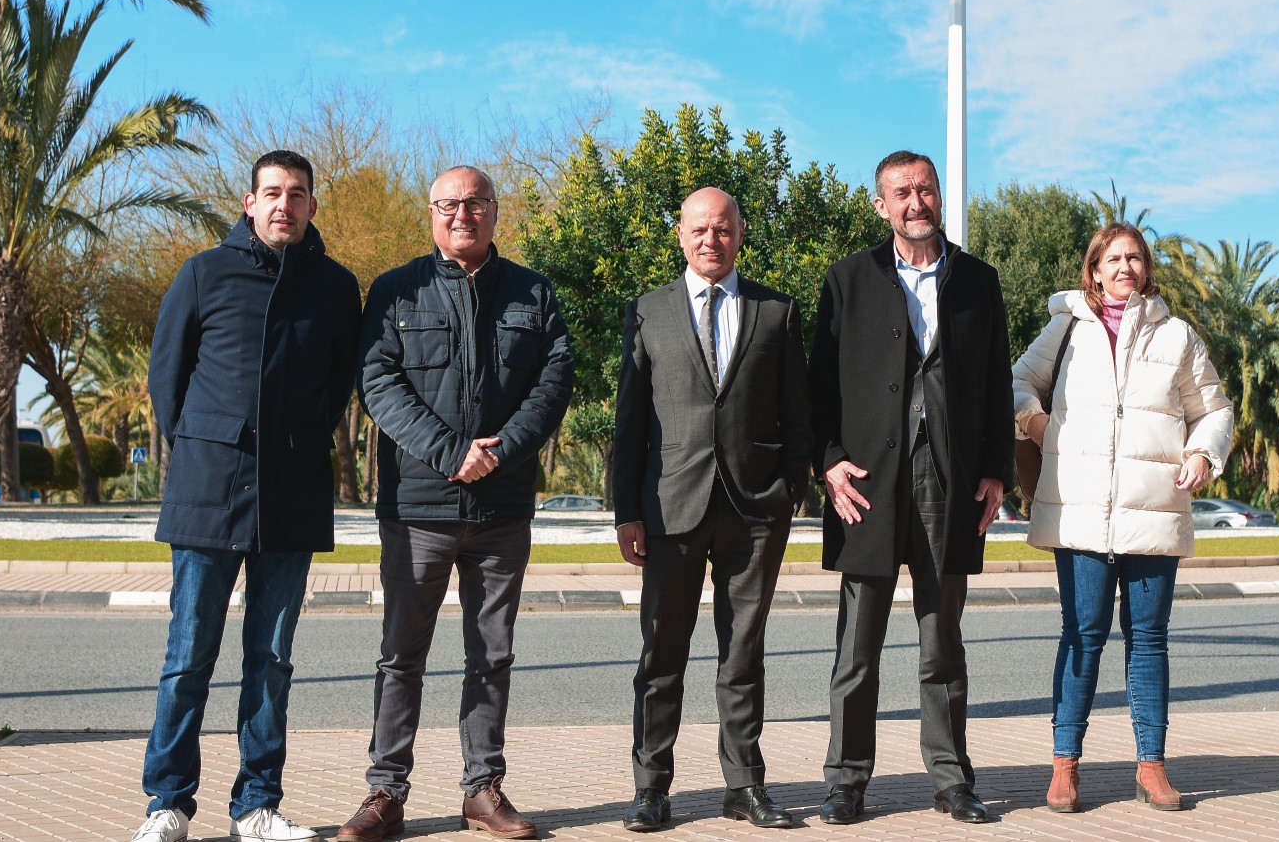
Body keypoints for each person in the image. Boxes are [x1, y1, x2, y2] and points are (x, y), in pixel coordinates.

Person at [334, 166, 573, 842]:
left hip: (501, 508)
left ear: (495, 210)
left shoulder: (534, 291)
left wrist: (505, 448)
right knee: (400, 655)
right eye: (448, 204)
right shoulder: (394, 290)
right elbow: (377, 381)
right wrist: (449, 451)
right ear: (431, 213)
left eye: (474, 203)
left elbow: (555, 379)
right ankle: (385, 792)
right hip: (417, 508)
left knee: (492, 653)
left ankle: (483, 790)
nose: (462, 213)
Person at [134, 151, 363, 842]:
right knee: (188, 654)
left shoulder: (335, 286)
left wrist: (292, 442)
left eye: (297, 194)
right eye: (271, 193)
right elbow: (166, 382)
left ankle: (257, 805)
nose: (283, 205)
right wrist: (209, 446)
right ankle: (166, 802)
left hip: (292, 495)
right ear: (248, 201)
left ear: (312, 206)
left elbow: (337, 386)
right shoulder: (204, 273)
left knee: (271, 660)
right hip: (208, 491)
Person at [810, 150, 1013, 826]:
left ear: (939, 195)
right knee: (856, 646)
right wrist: (830, 460)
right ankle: (845, 779)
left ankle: (953, 779)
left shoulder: (978, 281)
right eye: (901, 192)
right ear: (881, 204)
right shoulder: (846, 280)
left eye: (924, 188)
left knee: (941, 642)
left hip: (948, 480)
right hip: (866, 481)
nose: (915, 201)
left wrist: (995, 470)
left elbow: (996, 383)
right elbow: (818, 385)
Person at [1011, 221, 1234, 813]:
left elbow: (1213, 407)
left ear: (1146, 268)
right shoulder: (1065, 329)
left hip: (1153, 511)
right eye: (1113, 259)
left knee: (1149, 641)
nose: (1124, 268)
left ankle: (1152, 766)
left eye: (1134, 258)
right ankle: (1064, 767)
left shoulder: (1176, 336)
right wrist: (1034, 422)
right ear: (1094, 268)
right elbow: (1016, 383)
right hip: (1079, 512)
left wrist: (1203, 453)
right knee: (1081, 636)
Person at [612, 188, 813, 833]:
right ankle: (651, 788)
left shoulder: (775, 312)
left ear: (739, 234)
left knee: (743, 650)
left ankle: (744, 785)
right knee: (661, 651)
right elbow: (630, 422)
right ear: (680, 235)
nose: (711, 240)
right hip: (669, 507)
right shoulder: (647, 312)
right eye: (699, 229)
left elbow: (798, 413)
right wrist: (626, 510)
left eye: (722, 229)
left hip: (755, 510)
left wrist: (788, 491)